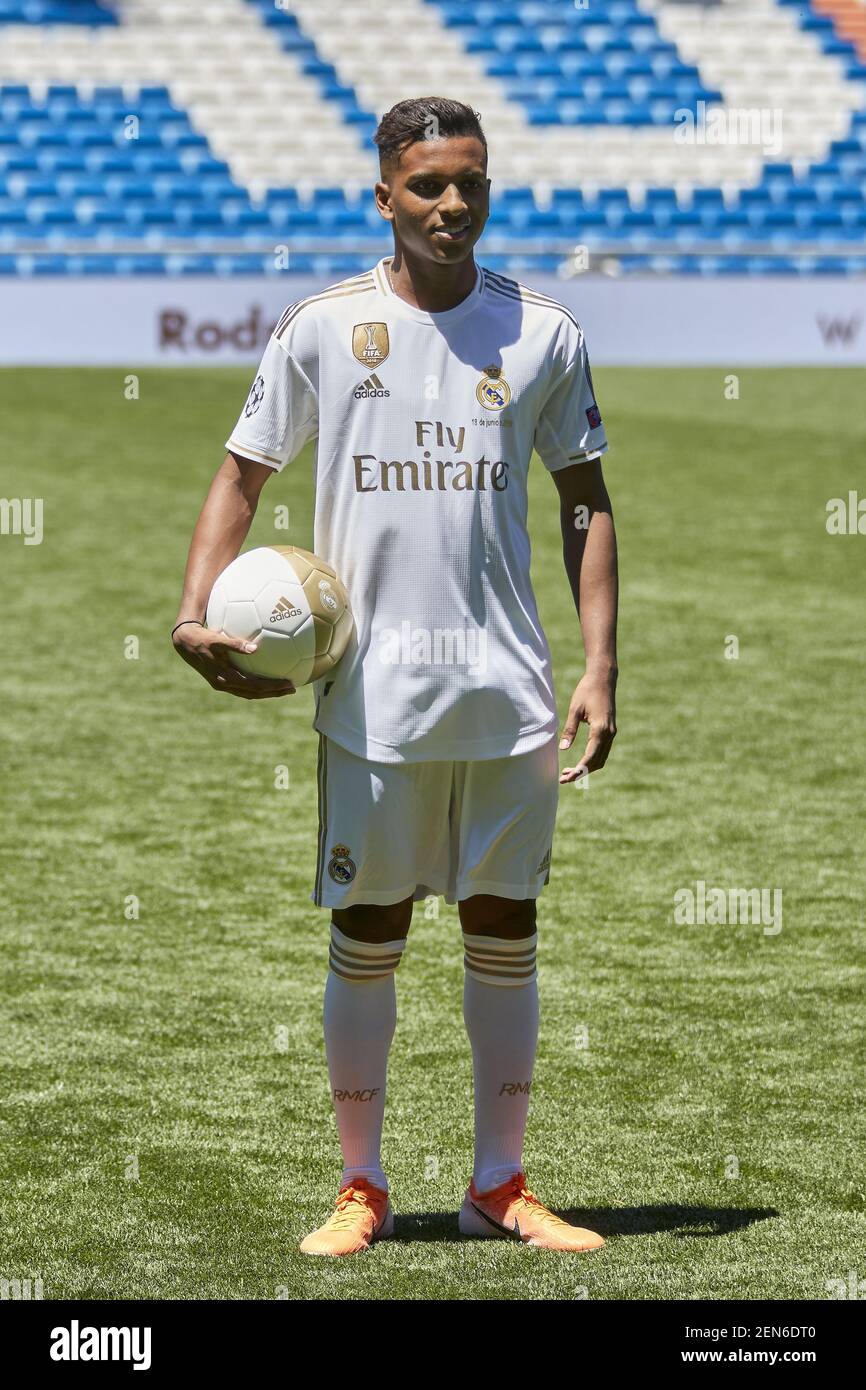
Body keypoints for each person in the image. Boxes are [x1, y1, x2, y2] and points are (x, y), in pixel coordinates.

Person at [173, 96, 618, 1256]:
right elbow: (239, 475)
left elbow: (585, 503)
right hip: (371, 698)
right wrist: (190, 608)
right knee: (367, 925)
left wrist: (599, 665)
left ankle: (496, 1183)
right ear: (384, 196)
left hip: (507, 690)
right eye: (425, 184)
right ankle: (361, 1185)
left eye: (468, 181)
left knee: (503, 924)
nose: (450, 203)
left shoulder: (544, 333)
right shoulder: (322, 327)